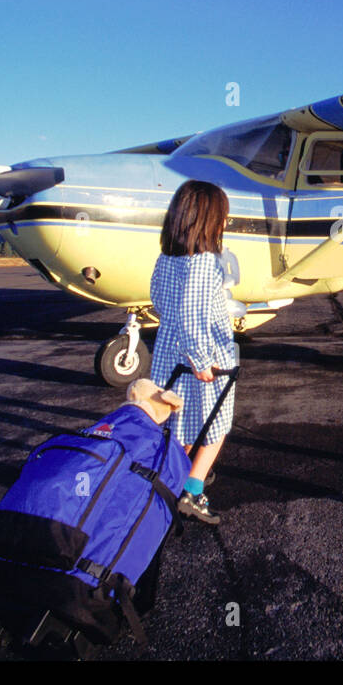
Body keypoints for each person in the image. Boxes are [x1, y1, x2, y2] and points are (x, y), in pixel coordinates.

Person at [150, 180, 239, 525]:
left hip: (171, 355)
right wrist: (202, 360)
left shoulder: (167, 259)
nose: (225, 224)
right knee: (216, 426)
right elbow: (191, 312)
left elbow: (159, 300)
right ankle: (192, 490)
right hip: (205, 362)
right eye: (223, 217)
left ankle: (170, 479)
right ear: (208, 220)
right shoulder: (207, 263)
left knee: (180, 424)